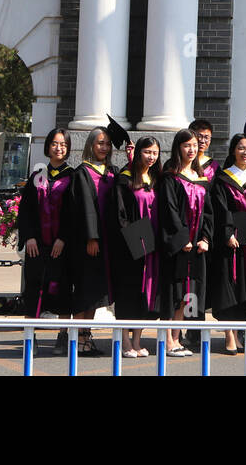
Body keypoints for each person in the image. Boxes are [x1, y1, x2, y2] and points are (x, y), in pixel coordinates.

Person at [60, 127, 118, 355]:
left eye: (107, 144)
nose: (104, 147)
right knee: (85, 290)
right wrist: (91, 237)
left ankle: (86, 336)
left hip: (107, 241)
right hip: (90, 243)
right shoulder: (83, 172)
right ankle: (78, 339)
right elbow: (84, 209)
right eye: (100, 143)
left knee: (96, 294)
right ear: (91, 145)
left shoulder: (112, 171)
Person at [17, 128, 72, 353]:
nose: (58, 148)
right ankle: (30, 336)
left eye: (63, 145)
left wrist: (63, 238)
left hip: (62, 246)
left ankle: (62, 334)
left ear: (68, 149)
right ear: (48, 147)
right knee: (33, 287)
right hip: (37, 246)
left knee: (63, 289)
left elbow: (74, 212)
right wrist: (29, 236)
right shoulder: (37, 176)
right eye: (54, 144)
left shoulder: (73, 176)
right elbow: (26, 210)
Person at [209, 133, 246, 353]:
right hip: (229, 245)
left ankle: (240, 333)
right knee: (228, 289)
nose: (245, 152)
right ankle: (229, 336)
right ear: (233, 150)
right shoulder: (223, 179)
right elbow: (219, 211)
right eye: (241, 148)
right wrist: (227, 234)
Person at [158, 130, 211, 357]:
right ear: (178, 148)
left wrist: (205, 238)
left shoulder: (201, 178)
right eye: (186, 145)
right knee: (173, 292)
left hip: (196, 246)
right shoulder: (171, 177)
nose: (191, 149)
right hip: (177, 246)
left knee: (187, 294)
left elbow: (209, 213)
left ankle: (177, 338)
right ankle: (168, 339)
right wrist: (182, 239)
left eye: (194, 145)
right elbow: (169, 210)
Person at [113, 136, 162, 358]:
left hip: (151, 242)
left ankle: (137, 340)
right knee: (128, 291)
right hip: (130, 243)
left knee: (146, 292)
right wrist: (133, 241)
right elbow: (120, 214)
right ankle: (124, 341)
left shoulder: (155, 178)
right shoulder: (124, 178)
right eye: (147, 152)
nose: (151, 156)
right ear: (138, 152)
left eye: (155, 152)